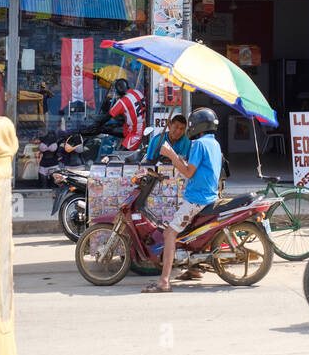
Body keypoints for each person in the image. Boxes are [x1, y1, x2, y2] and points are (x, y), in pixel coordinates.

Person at [142, 107, 222, 294]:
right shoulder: (214, 143)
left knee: (169, 233)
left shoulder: (199, 144)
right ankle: (193, 268)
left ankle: (163, 281)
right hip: (208, 194)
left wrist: (171, 154)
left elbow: (187, 172)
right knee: (189, 232)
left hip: (197, 198)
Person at [89, 77, 146, 157]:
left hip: (136, 132)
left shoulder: (123, 101)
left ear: (119, 90)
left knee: (121, 156)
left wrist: (95, 125)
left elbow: (107, 117)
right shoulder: (138, 92)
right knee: (108, 129)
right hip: (132, 126)